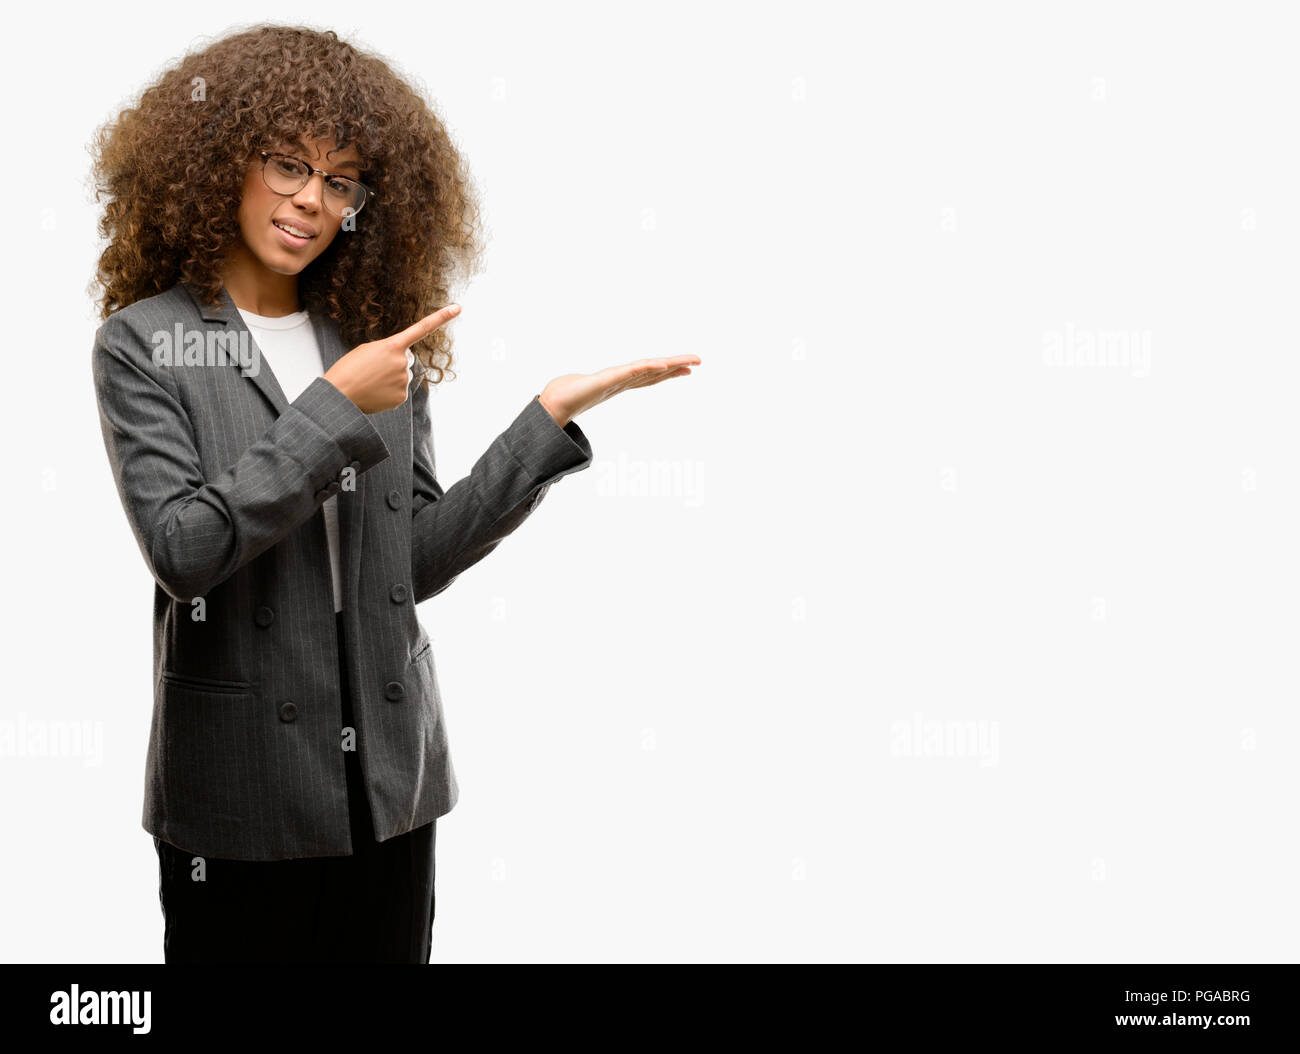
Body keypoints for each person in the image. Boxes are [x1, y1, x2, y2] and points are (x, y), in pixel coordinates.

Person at [88, 23, 699, 963]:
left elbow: (408, 562)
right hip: (239, 801)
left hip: (390, 786)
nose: (310, 200)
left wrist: (540, 423)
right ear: (220, 161)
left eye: (339, 181)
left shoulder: (368, 339)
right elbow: (185, 551)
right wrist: (332, 407)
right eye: (287, 163)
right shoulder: (145, 341)